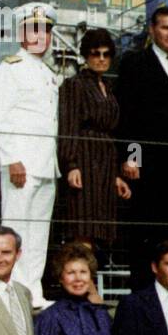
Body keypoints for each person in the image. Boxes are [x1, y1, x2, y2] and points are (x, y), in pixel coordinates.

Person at [114, 6, 168, 289]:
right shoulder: (135, 62)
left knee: (167, 232)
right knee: (143, 232)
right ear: (152, 29)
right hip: (145, 164)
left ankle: (164, 290)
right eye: (165, 28)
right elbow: (128, 114)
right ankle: (143, 293)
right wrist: (131, 157)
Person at [0, 4, 62, 308]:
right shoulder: (10, 68)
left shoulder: (46, 73)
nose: (40, 36)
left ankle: (32, 289)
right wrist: (11, 159)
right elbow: (1, 117)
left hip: (46, 163)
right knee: (17, 229)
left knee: (38, 232)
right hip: (22, 163)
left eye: (45, 30)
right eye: (34, 30)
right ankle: (11, 290)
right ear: (22, 33)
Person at [58, 27, 130, 256]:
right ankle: (81, 286)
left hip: (105, 161)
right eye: (95, 53)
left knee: (99, 229)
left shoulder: (108, 87)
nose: (101, 59)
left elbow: (119, 132)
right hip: (84, 158)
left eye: (106, 54)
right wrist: (71, 165)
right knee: (82, 227)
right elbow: (68, 126)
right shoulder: (74, 84)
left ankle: (88, 282)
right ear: (85, 56)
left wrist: (117, 173)